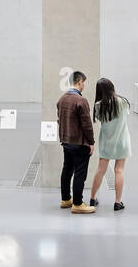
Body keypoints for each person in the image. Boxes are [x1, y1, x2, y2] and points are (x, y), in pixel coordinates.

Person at [88, 78, 131, 211]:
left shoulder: (98, 106)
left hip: (106, 142)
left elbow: (101, 119)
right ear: (112, 87)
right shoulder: (123, 102)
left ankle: (92, 198)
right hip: (122, 141)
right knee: (119, 171)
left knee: (101, 170)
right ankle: (117, 202)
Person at [56, 70, 95, 213]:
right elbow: (87, 124)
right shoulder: (81, 100)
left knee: (67, 170)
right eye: (83, 83)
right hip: (80, 143)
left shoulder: (62, 99)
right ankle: (78, 204)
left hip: (66, 141)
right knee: (80, 173)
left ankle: (66, 199)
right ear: (79, 82)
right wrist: (91, 142)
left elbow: (59, 120)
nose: (84, 86)